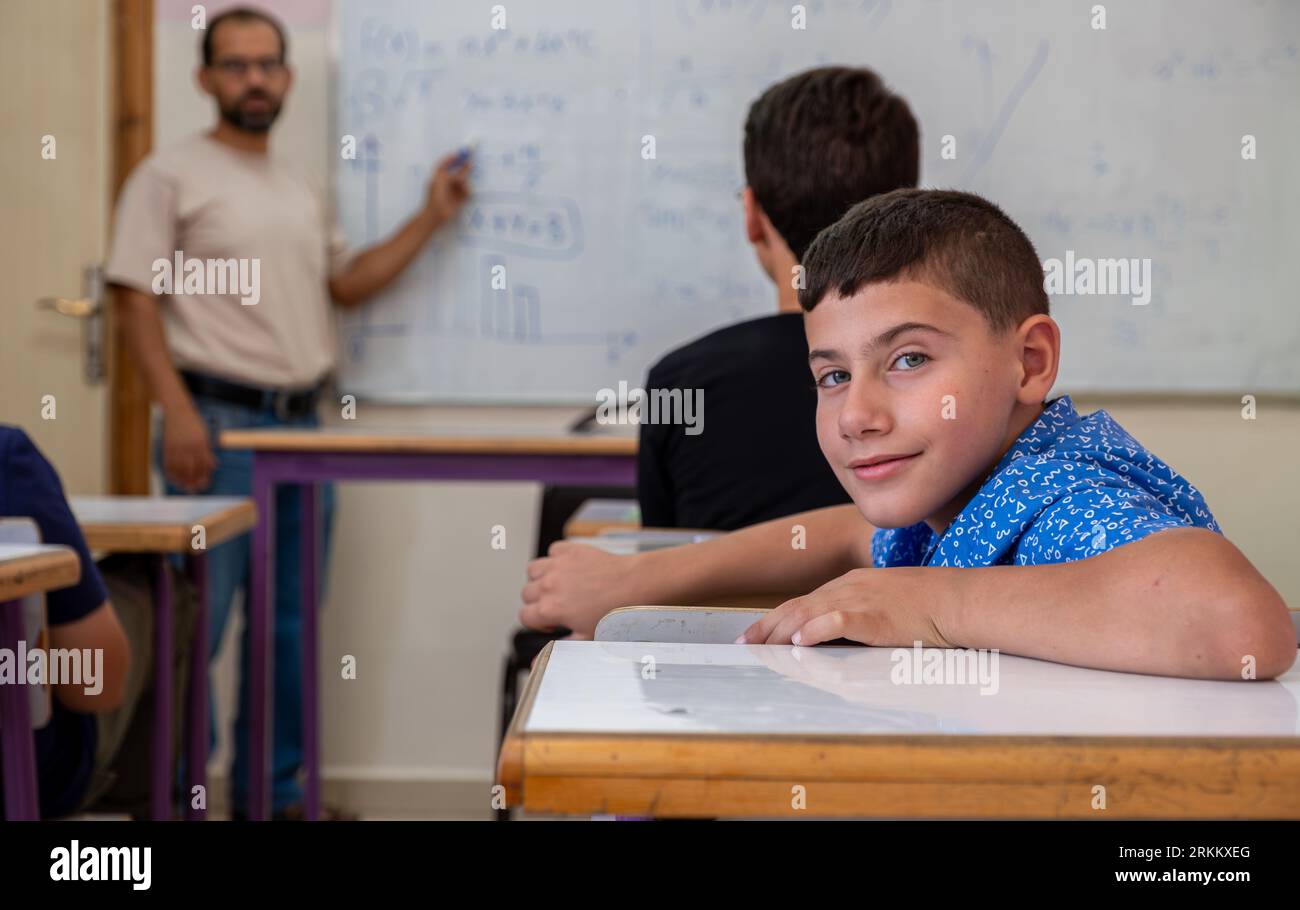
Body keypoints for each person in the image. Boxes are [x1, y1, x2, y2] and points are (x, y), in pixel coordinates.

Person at [521, 189, 1295, 681]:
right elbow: (844, 537)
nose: (858, 414)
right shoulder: (962, 494)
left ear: (1030, 362)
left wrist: (929, 603)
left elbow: (1241, 622)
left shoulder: (1058, 498)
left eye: (909, 359)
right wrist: (637, 584)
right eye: (832, 376)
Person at [104, 6, 471, 818]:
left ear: (288, 76)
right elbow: (132, 300)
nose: (256, 79)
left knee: (291, 630)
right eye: (236, 65)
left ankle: (272, 800)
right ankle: (178, 801)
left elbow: (344, 285)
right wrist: (180, 416)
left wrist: (431, 217)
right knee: (198, 628)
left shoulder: (300, 186)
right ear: (205, 79)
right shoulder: (170, 176)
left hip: (302, 436)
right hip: (219, 430)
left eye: (268, 63)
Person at [638, 67, 919, 530]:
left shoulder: (678, 382)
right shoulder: (951, 377)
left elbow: (657, 560)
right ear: (908, 209)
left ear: (752, 215)